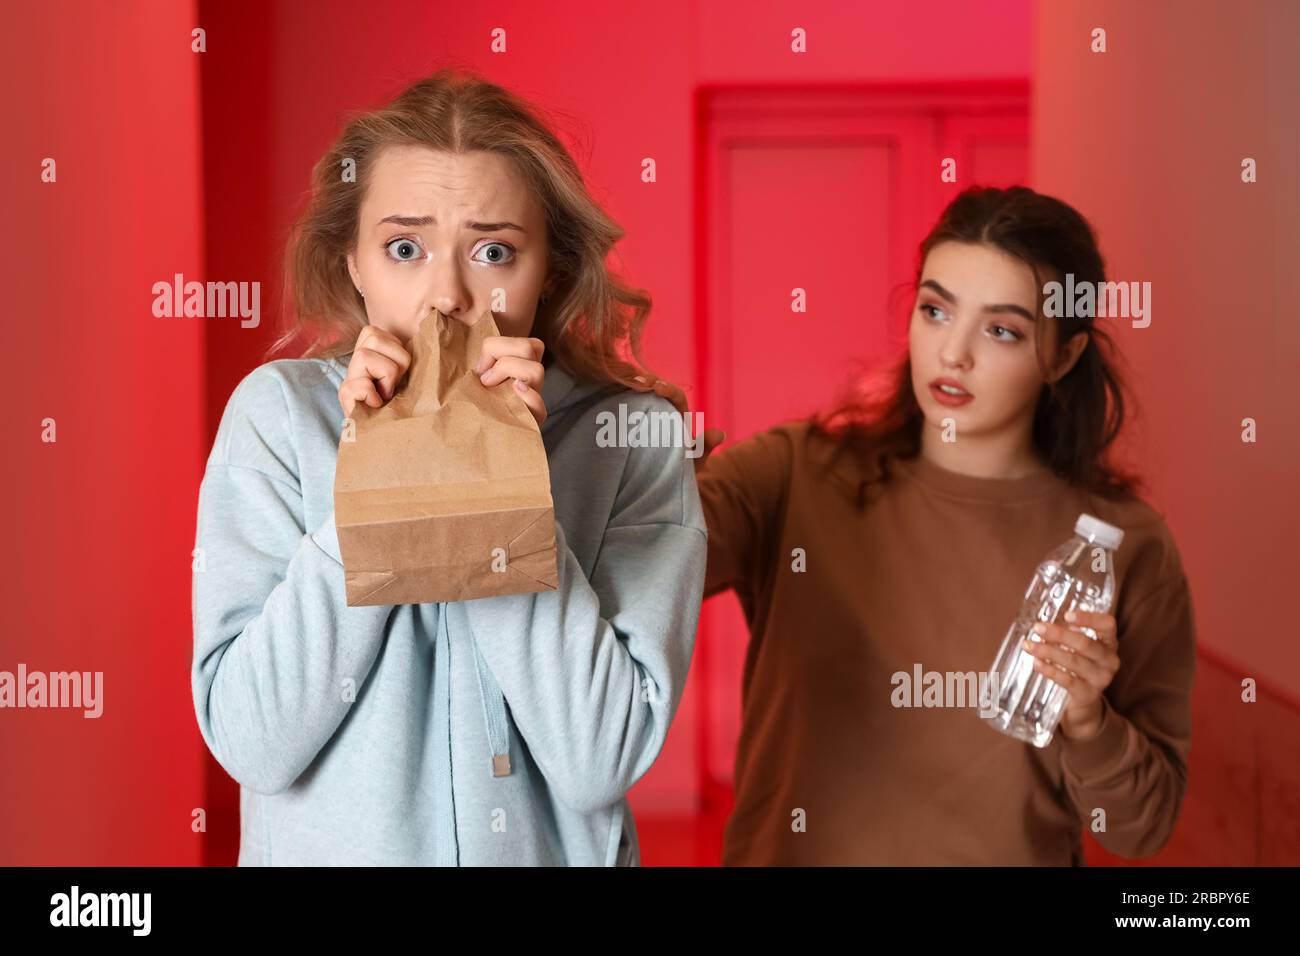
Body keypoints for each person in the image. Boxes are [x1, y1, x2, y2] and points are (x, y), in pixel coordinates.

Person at [190, 69, 706, 865]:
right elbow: (255, 745)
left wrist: (503, 488)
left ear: (553, 271)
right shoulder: (276, 418)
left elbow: (599, 758)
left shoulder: (631, 438)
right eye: (405, 248)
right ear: (355, 264)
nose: (448, 295)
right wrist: (375, 483)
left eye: (494, 250)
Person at [679, 186, 1196, 865]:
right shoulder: (794, 473)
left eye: (1001, 329)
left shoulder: (1124, 546)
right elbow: (631, 569)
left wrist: (1088, 719)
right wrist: (643, 477)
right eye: (935, 309)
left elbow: (1138, 829)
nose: (953, 353)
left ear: (1063, 357)